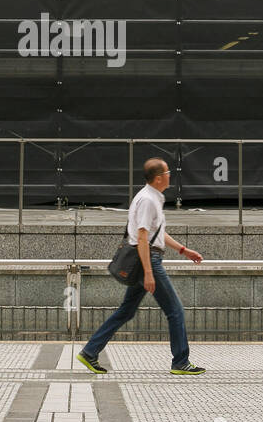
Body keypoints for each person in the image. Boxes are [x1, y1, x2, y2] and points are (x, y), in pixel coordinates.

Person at [77, 158, 206, 375]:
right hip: (148, 261)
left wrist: (183, 250)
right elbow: (144, 237)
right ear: (158, 178)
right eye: (167, 172)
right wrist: (148, 272)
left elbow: (157, 233)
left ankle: (90, 352)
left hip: (145, 259)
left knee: (126, 311)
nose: (170, 175)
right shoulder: (148, 200)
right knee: (175, 311)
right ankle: (181, 362)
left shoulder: (152, 197)